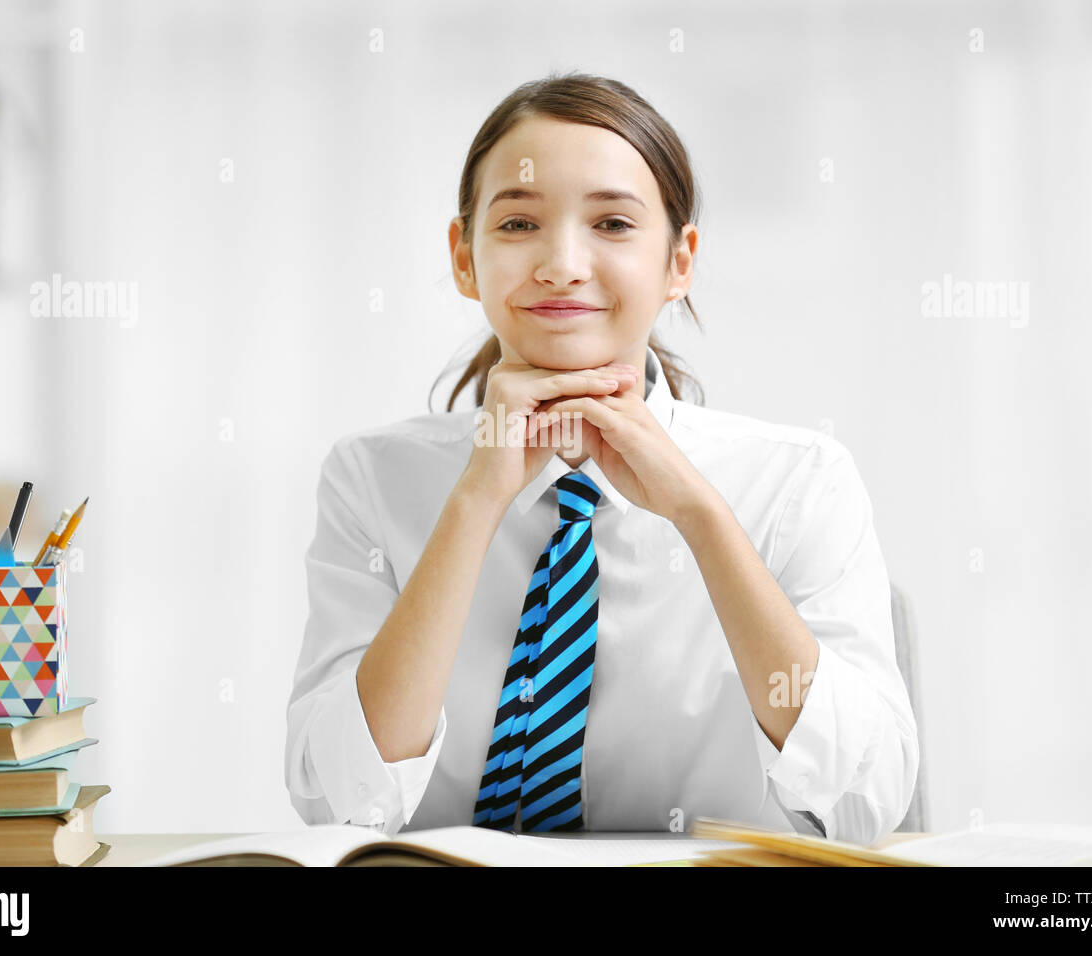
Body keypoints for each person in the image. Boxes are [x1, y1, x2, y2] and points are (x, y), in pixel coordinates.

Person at [285, 71, 919, 846]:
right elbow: (343, 804)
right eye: (518, 225)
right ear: (463, 255)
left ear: (679, 261)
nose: (561, 264)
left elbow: (865, 802)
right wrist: (475, 504)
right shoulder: (371, 480)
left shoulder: (800, 480)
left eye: (613, 224)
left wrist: (699, 514)